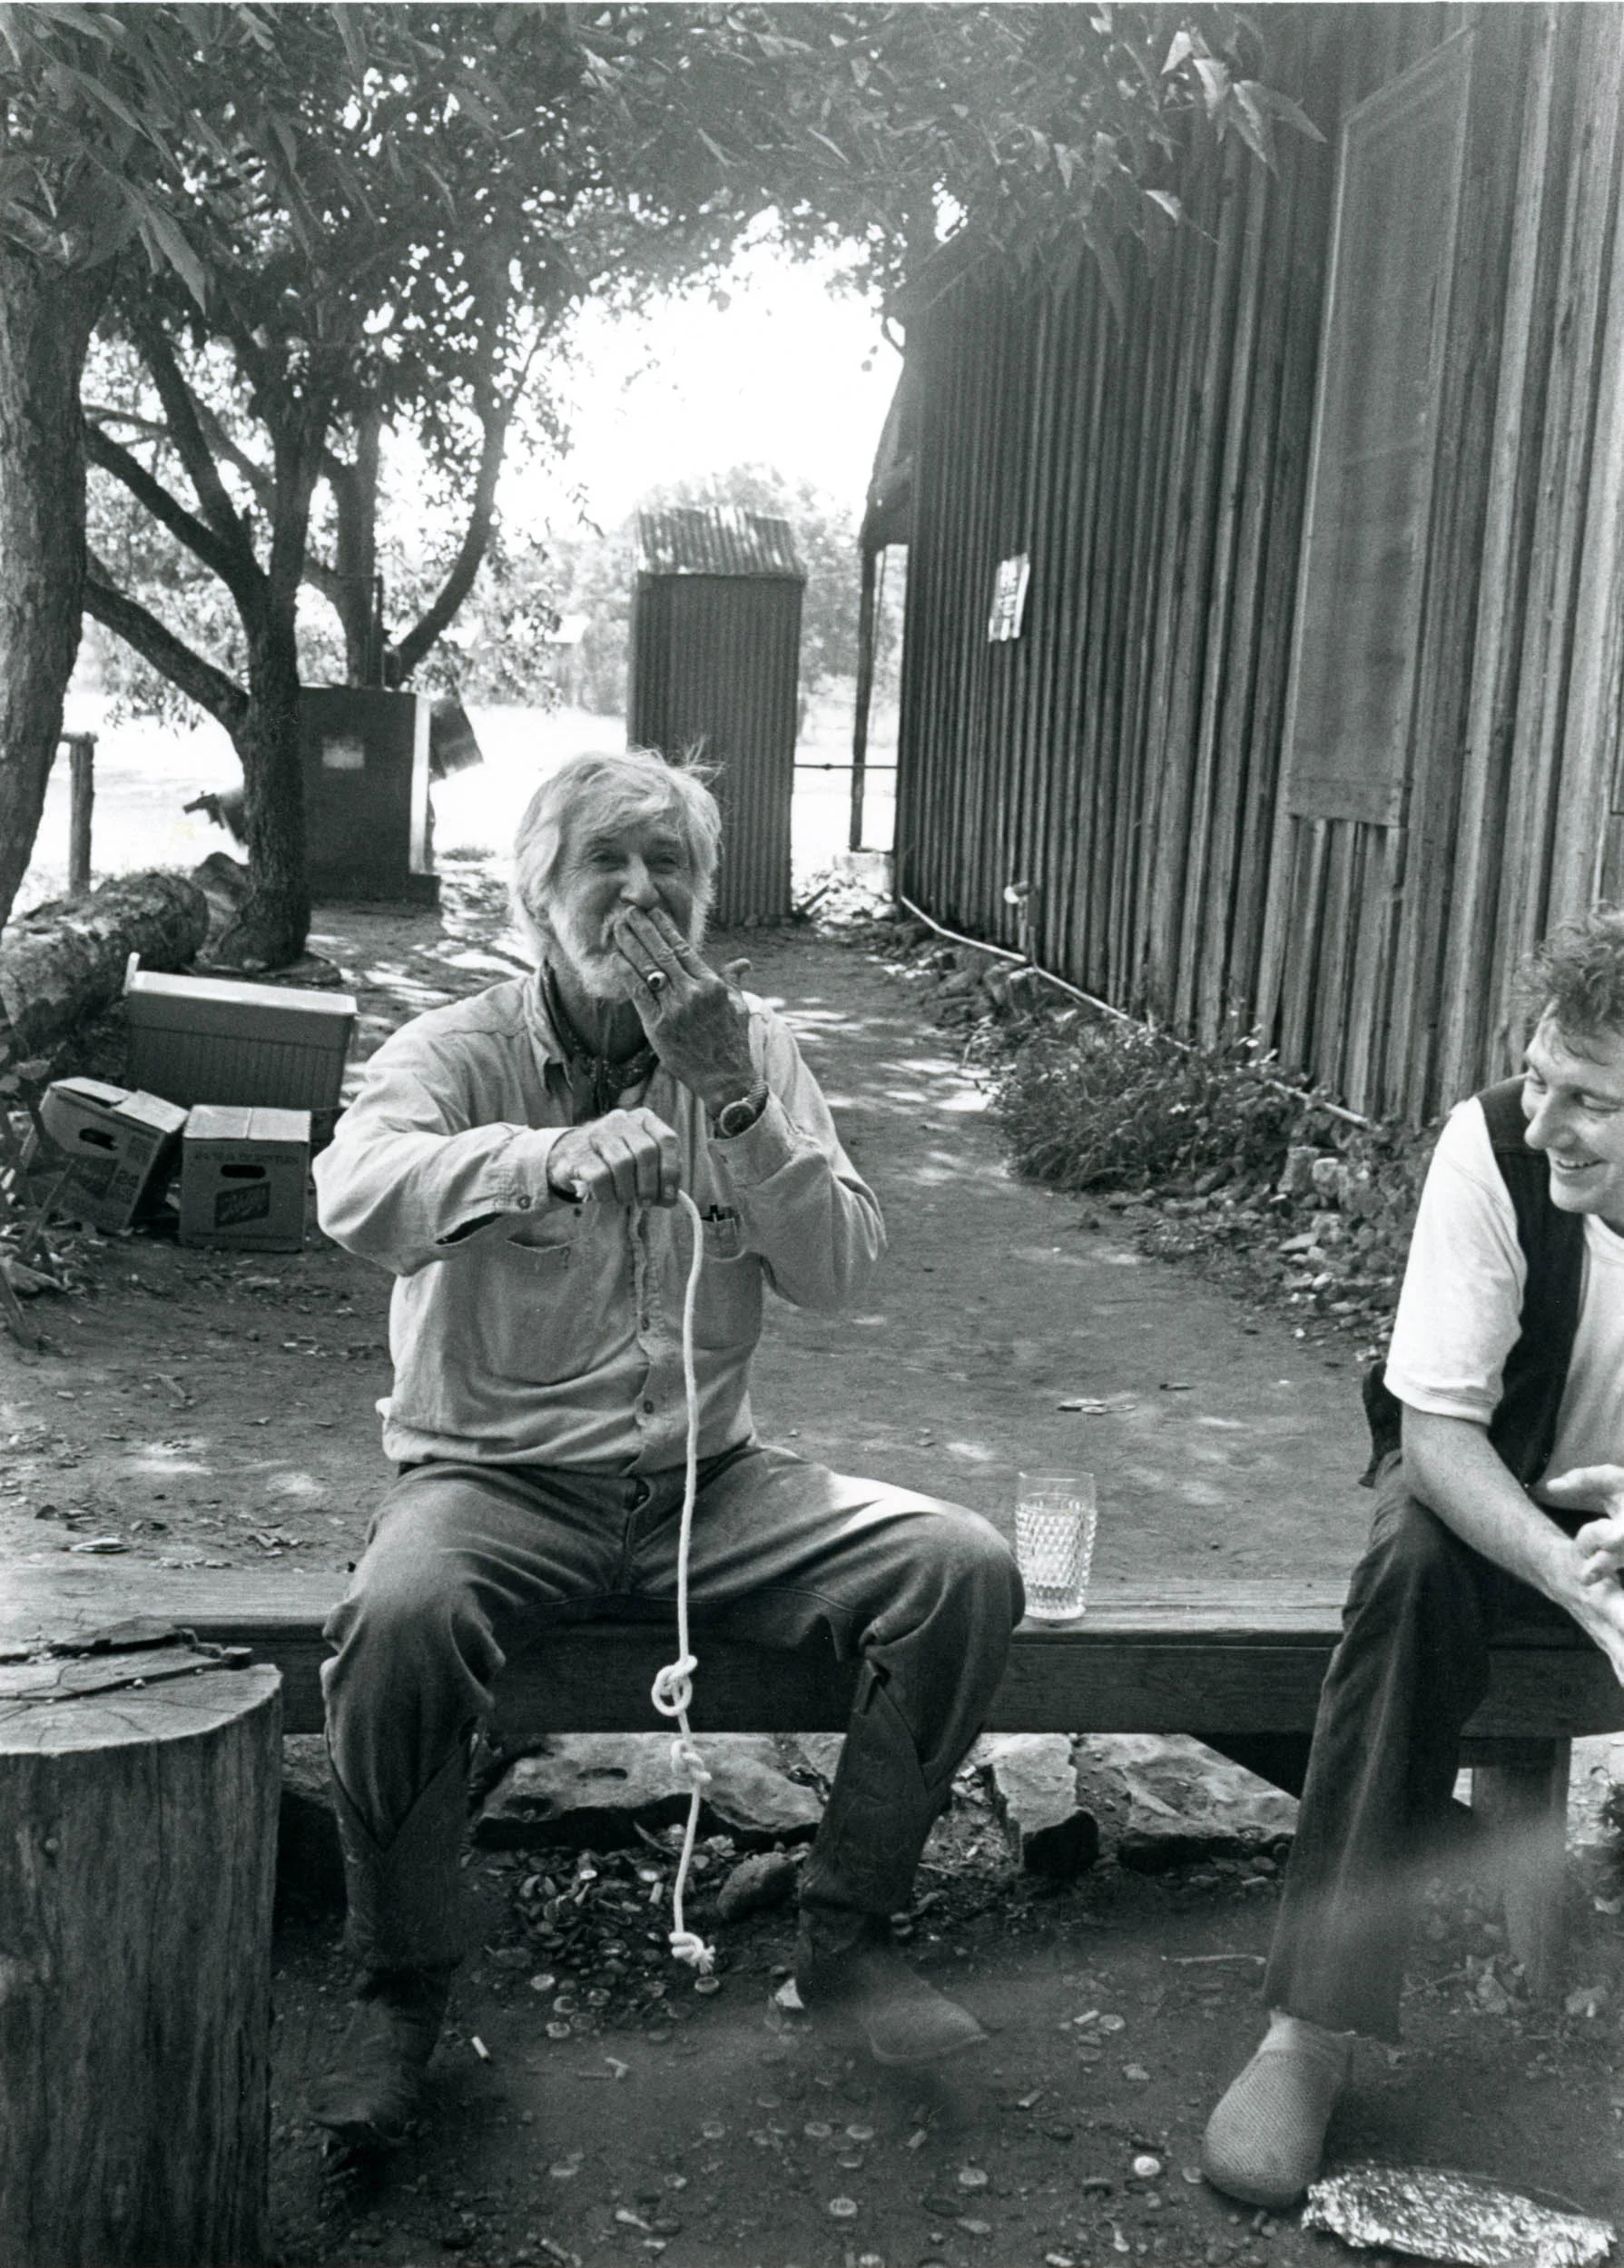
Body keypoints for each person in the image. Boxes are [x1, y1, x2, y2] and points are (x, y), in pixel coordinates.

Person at [308, 746, 1024, 2149]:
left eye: (671, 868)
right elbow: (354, 1192)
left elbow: (840, 1268)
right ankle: (403, 1995)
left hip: (716, 1481)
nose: (641, 893)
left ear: (705, 898)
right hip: (492, 1479)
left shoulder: (747, 1044)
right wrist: (540, 1157)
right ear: (539, 897)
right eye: (604, 865)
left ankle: (849, 1943)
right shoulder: (457, 1049)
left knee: (961, 1566)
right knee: (396, 1617)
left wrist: (737, 1102)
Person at [1202, 906, 1624, 2210]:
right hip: (1499, 1497)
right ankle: (1312, 2026)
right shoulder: (1490, 1149)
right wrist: (1579, 1581)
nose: (1547, 1119)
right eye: (1542, 1072)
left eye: (1593, 1099)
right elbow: (1438, 1436)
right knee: (1410, 1568)